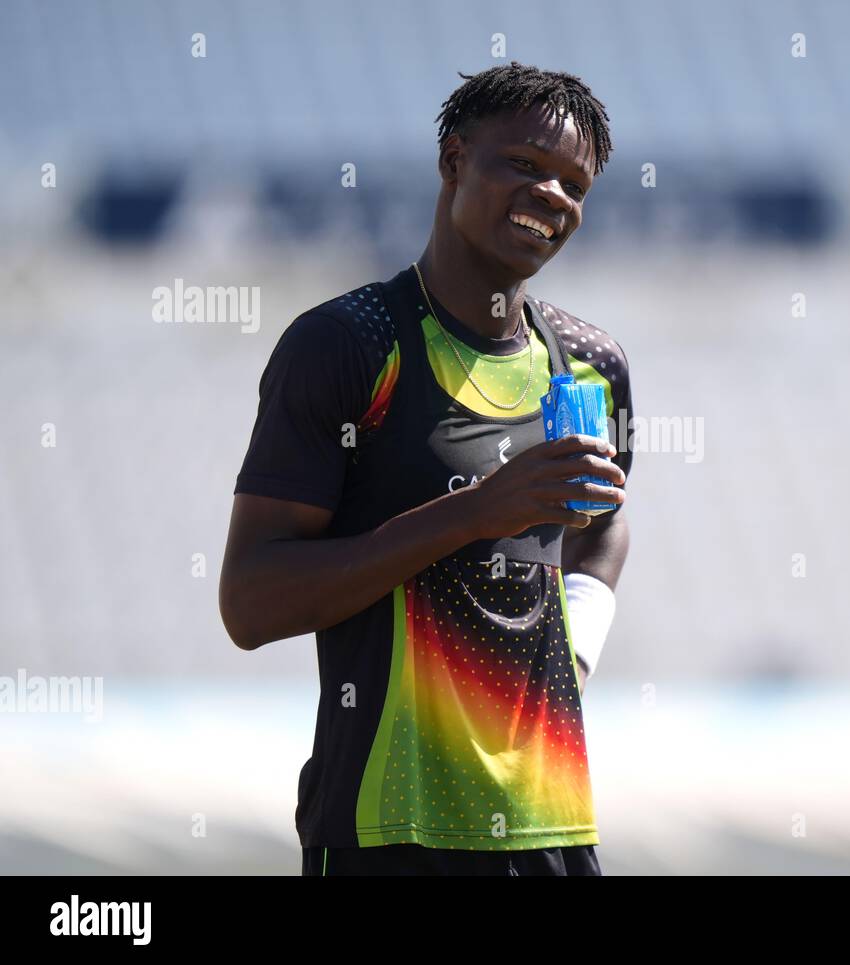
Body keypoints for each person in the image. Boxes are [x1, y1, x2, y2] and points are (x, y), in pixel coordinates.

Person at [218, 62, 634, 876]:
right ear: (453, 161)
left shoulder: (590, 364)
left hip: (549, 826)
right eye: (524, 164)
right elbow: (250, 602)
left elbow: (605, 527)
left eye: (574, 184)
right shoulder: (348, 345)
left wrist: (573, 647)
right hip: (387, 828)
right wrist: (476, 512)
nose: (553, 195)